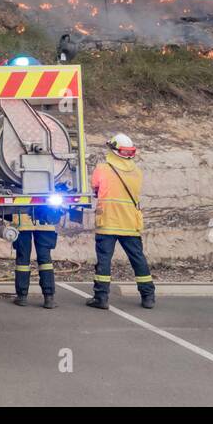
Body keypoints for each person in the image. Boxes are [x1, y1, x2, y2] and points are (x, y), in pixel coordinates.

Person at [87, 133, 155, 310]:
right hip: (130, 224)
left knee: (104, 262)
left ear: (113, 150)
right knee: (138, 260)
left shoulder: (102, 168)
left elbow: (95, 187)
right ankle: (148, 296)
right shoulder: (137, 172)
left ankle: (101, 297)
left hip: (108, 222)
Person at [11, 205, 58, 308]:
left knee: (23, 259)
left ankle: (22, 297)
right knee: (45, 260)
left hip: (22, 221)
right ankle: (49, 298)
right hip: (45, 221)